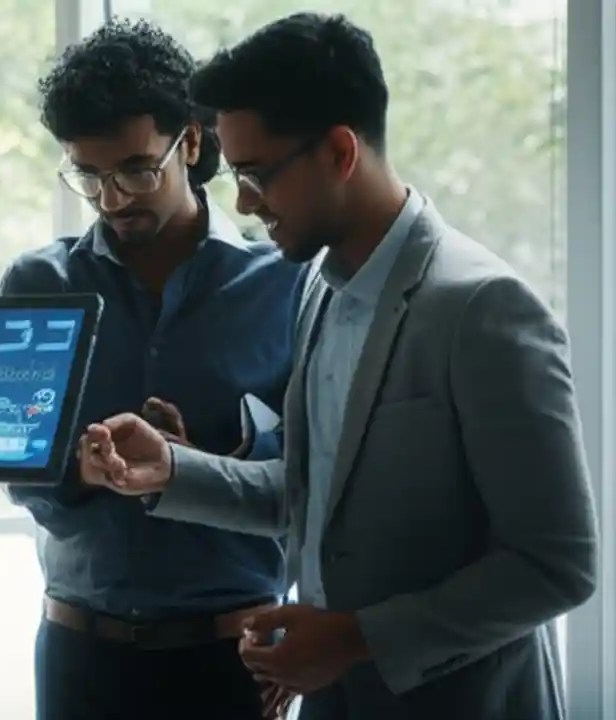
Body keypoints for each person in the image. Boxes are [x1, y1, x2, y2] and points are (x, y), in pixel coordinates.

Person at [78, 12, 598, 720]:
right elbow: (309, 496)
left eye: (256, 174)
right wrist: (172, 470)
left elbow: (557, 567)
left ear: (340, 152)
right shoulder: (317, 288)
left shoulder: (484, 309)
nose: (242, 203)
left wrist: (356, 639)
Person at [0, 19, 308, 720]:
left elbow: (319, 484)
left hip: (236, 655)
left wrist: (200, 467)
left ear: (191, 142)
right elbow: (14, 467)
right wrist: (82, 470)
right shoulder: (38, 285)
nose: (112, 199)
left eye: (137, 170)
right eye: (88, 175)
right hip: (80, 653)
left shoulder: (287, 284)